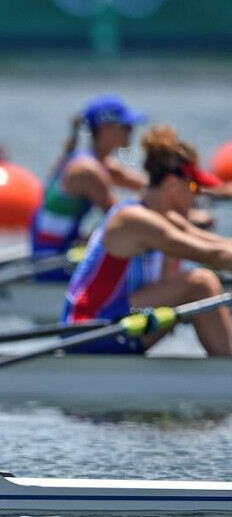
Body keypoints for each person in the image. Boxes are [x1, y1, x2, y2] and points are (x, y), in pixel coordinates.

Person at [62, 125, 232, 356]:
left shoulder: (165, 217)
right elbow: (212, 256)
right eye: (193, 186)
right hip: (89, 330)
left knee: (199, 282)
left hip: (121, 320)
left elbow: (218, 245)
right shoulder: (133, 219)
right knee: (201, 283)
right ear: (172, 184)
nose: (197, 195)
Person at [29, 94, 149, 281]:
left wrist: (194, 189)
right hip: (53, 265)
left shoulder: (95, 161)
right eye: (126, 126)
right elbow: (125, 220)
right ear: (104, 128)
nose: (131, 130)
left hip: (63, 252)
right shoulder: (88, 171)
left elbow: (153, 186)